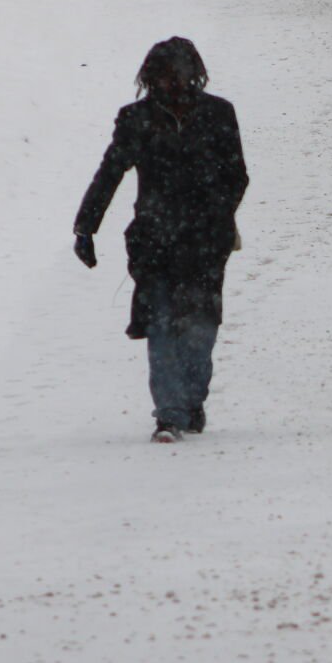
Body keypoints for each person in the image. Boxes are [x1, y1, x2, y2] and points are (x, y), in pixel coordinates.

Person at [74, 38, 248, 443]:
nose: (171, 85)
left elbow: (237, 174)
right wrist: (86, 226)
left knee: (200, 327)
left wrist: (215, 214)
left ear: (195, 76)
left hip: (206, 240)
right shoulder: (137, 119)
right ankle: (168, 414)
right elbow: (110, 173)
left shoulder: (219, 114)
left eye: (178, 76)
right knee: (162, 323)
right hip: (154, 239)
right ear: (149, 78)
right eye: (162, 77)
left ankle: (191, 400)